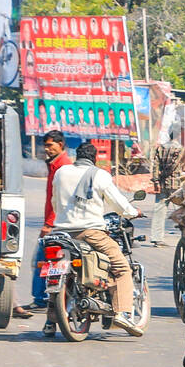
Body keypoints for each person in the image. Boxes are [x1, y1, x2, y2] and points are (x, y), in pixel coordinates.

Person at [51, 142, 143, 335]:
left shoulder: (61, 172)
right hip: (89, 233)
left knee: (52, 268)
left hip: (60, 232)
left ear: (77, 156)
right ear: (94, 159)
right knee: (121, 267)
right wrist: (133, 212)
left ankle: (50, 322)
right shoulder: (100, 174)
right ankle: (123, 313)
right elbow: (119, 204)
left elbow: (54, 201)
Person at [31, 131, 72, 332]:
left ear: (60, 144)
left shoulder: (63, 167)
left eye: (50, 145)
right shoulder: (55, 164)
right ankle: (42, 298)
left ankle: (40, 298)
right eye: (45, 146)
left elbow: (60, 199)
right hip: (55, 221)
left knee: (43, 258)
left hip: (56, 223)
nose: (47, 149)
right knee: (47, 261)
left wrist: (48, 224)